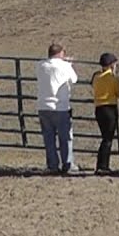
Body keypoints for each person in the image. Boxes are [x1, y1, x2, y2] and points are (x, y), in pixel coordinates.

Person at [36, 42, 79, 174]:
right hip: (60, 106)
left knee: (48, 138)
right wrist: (69, 65)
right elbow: (74, 79)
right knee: (65, 137)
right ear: (61, 53)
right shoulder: (64, 66)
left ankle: (52, 165)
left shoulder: (40, 65)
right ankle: (67, 163)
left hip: (43, 106)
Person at [92, 52, 119, 175]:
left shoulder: (96, 77)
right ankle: (103, 165)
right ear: (111, 65)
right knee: (107, 139)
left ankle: (101, 164)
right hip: (109, 108)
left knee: (105, 138)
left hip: (99, 108)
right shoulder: (112, 79)